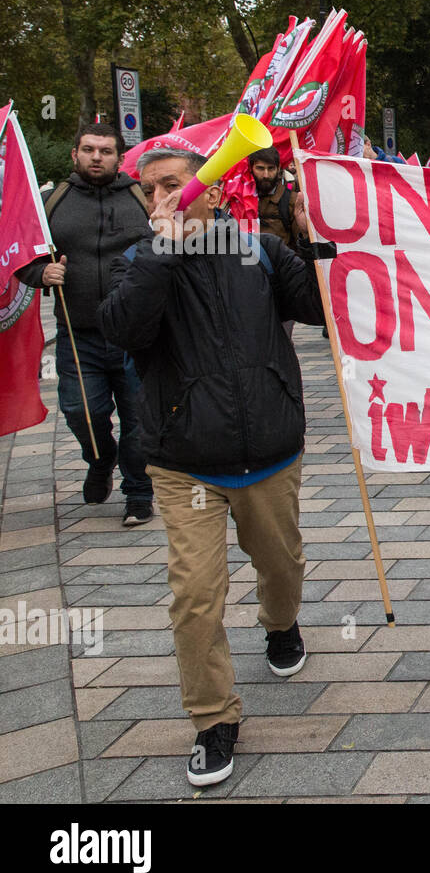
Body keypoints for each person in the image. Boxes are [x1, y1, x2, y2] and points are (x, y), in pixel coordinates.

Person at [97, 146, 333, 786]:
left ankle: (281, 626)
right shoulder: (139, 263)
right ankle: (213, 720)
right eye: (150, 190)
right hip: (185, 465)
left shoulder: (260, 252)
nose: (162, 198)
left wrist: (319, 242)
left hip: (271, 453)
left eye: (176, 184)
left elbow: (321, 310)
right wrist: (162, 252)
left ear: (214, 192)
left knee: (280, 563)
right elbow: (121, 329)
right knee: (196, 597)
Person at [12, 122, 155, 525]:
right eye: (89, 149)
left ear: (119, 158)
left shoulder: (141, 200)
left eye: (106, 151)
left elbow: (169, 247)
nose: (97, 157)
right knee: (80, 412)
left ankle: (138, 494)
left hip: (134, 336)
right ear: (75, 154)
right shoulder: (51, 201)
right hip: (78, 336)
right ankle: (99, 459)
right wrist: (41, 274)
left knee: (139, 418)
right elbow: (20, 253)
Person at [247, 147, 300, 247]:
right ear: (251, 168)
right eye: (260, 168)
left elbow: (302, 248)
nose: (266, 175)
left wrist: (304, 234)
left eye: (271, 168)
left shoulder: (291, 200)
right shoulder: (240, 199)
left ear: (278, 168)